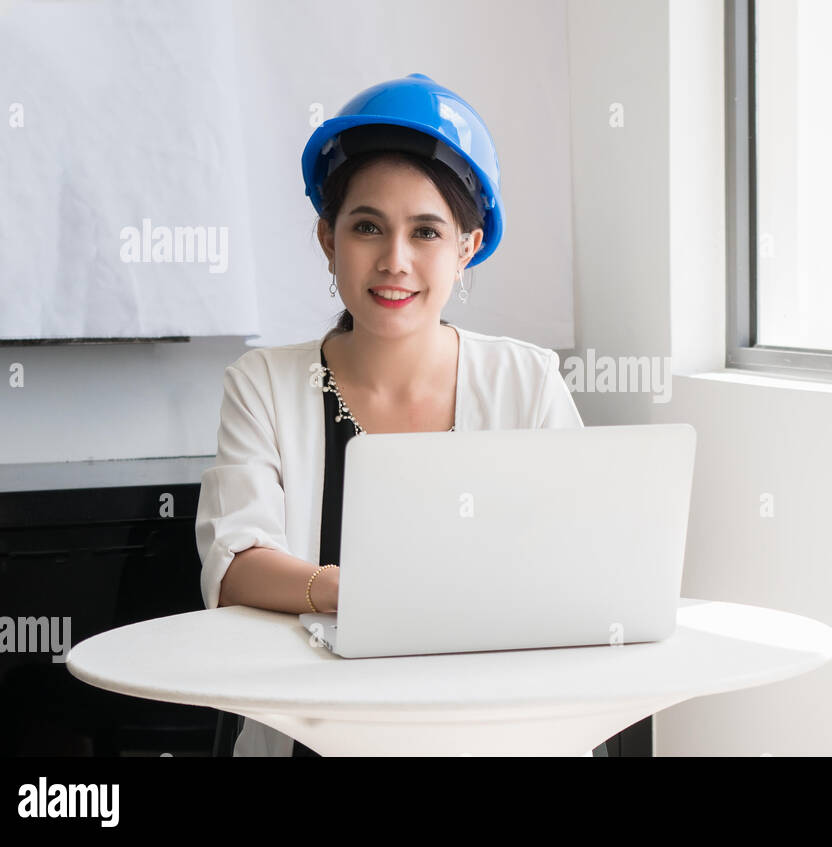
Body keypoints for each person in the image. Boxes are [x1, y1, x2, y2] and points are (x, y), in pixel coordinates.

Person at [194, 74, 588, 756]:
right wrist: (347, 593)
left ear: (466, 248)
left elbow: (583, 560)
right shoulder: (263, 382)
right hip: (312, 733)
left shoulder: (527, 380)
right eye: (368, 226)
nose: (394, 261)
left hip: (492, 731)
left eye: (426, 231)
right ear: (328, 238)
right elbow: (233, 566)